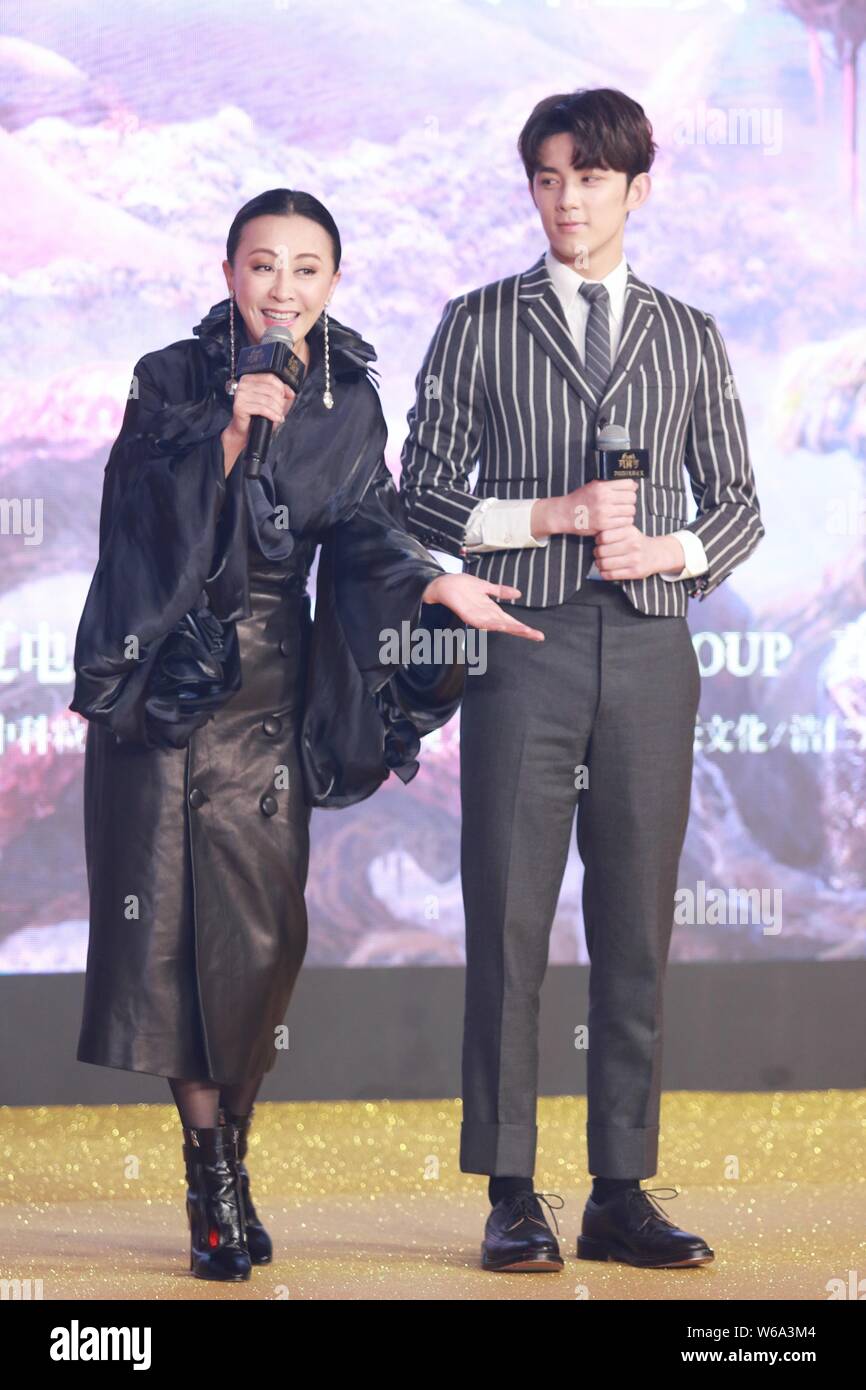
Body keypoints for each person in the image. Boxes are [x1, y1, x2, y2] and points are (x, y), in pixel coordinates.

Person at [69, 187, 542, 1282]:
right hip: (165, 693)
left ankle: (229, 1149)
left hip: (268, 700)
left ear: (334, 280)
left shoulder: (348, 396)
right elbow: (133, 526)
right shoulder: (169, 378)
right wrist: (229, 433)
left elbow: (367, 533)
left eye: (305, 268)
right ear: (228, 271)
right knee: (172, 952)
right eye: (261, 265)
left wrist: (435, 585)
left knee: (258, 952)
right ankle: (212, 1184)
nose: (281, 288)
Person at [399, 89, 765, 1271]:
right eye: (547, 178)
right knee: (506, 918)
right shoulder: (474, 322)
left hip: (654, 650)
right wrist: (543, 514)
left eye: (589, 178)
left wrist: (672, 548)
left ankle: (619, 1187)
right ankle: (512, 1192)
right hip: (522, 645)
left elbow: (741, 507)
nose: (566, 198)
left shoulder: (689, 333)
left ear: (635, 188)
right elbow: (421, 497)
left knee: (634, 927)